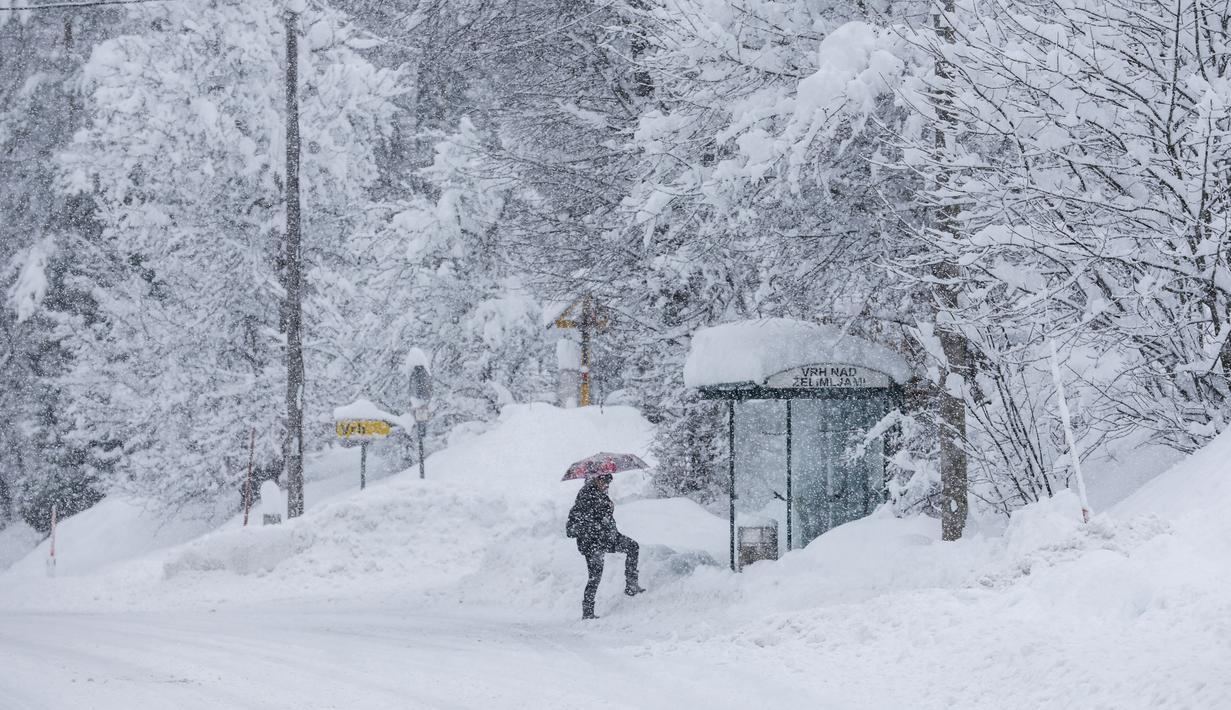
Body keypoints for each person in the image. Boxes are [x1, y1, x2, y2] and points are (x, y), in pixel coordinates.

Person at [566, 468, 645, 619]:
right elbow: (590, 521)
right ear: (597, 479)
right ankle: (588, 611)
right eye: (605, 482)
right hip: (592, 543)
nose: (607, 486)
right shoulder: (586, 496)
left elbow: (603, 519)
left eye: (609, 482)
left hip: (607, 538)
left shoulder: (599, 494)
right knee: (595, 576)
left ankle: (631, 585)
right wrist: (606, 509)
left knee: (632, 546)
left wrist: (608, 508)